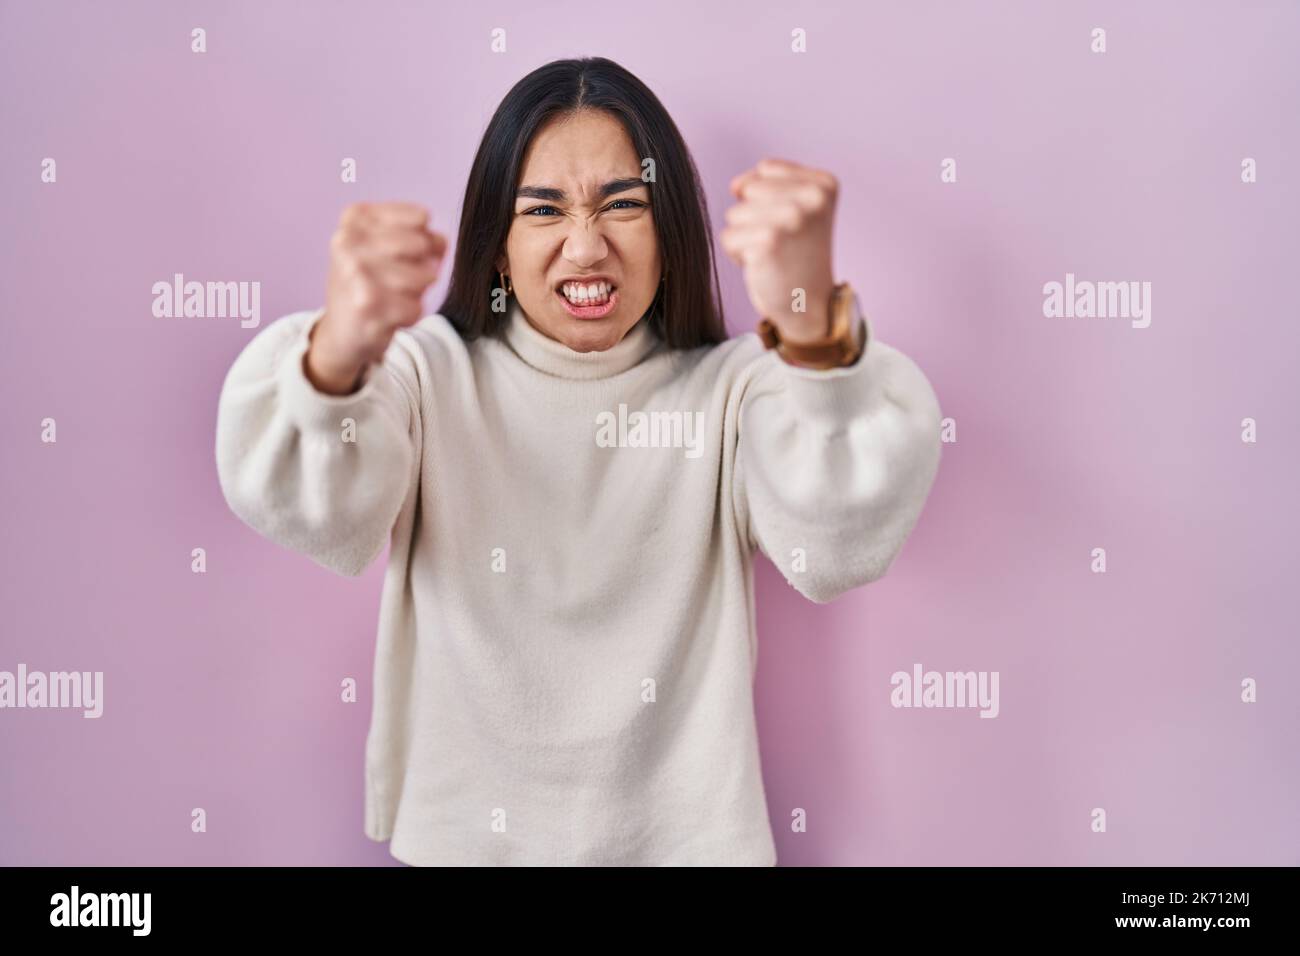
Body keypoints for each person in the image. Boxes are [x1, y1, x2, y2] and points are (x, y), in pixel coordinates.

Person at [214, 56, 942, 866]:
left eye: (623, 205)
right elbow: (314, 508)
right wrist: (337, 358)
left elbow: (839, 545)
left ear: (670, 232)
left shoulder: (733, 394)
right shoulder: (426, 377)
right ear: (497, 248)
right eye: (544, 210)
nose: (585, 246)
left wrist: (811, 321)